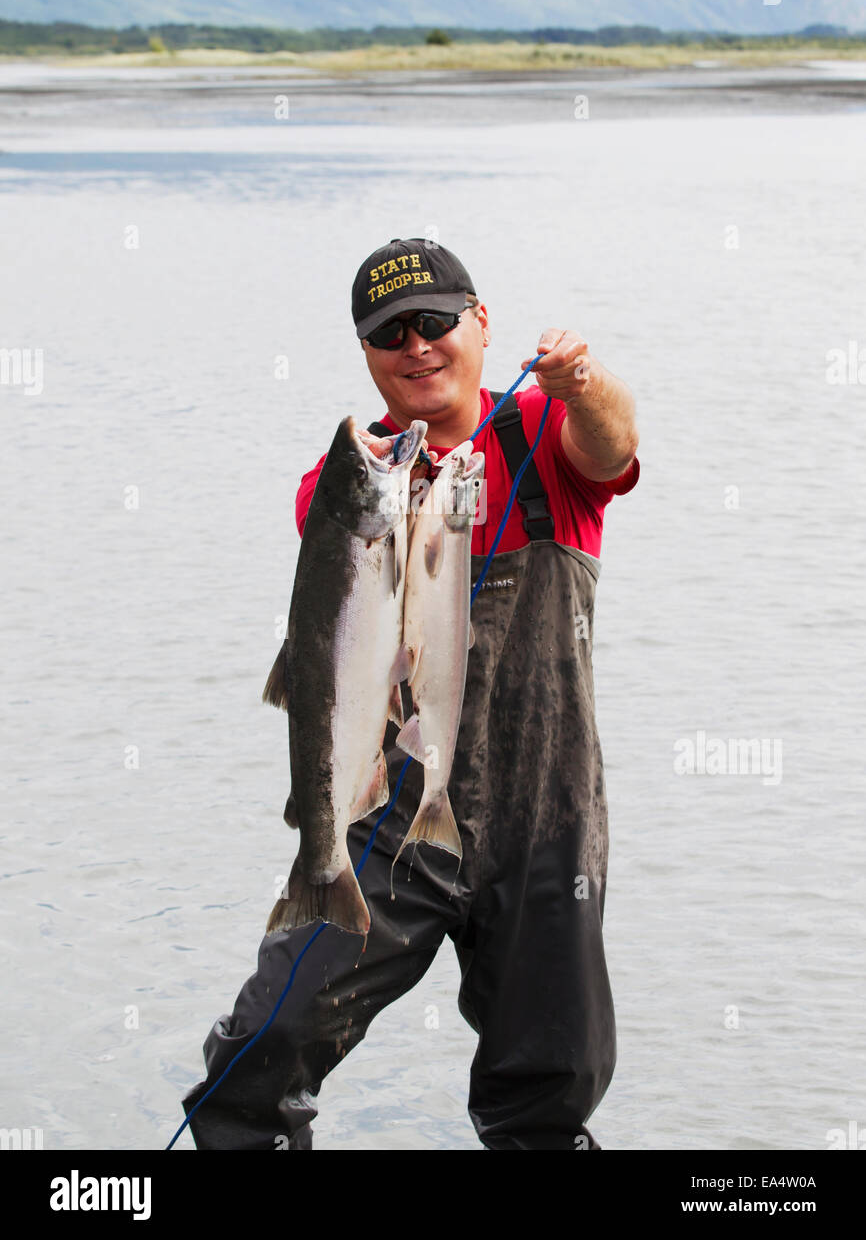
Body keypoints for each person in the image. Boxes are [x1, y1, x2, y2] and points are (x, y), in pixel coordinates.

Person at [181, 237, 640, 1150]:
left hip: (546, 827)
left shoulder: (548, 434)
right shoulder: (345, 481)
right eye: (391, 333)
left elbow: (613, 445)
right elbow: (329, 625)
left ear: (480, 324)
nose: (417, 345)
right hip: (392, 828)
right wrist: (401, 503)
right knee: (257, 1055)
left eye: (435, 322)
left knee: (551, 1096)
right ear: (367, 355)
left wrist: (582, 381)